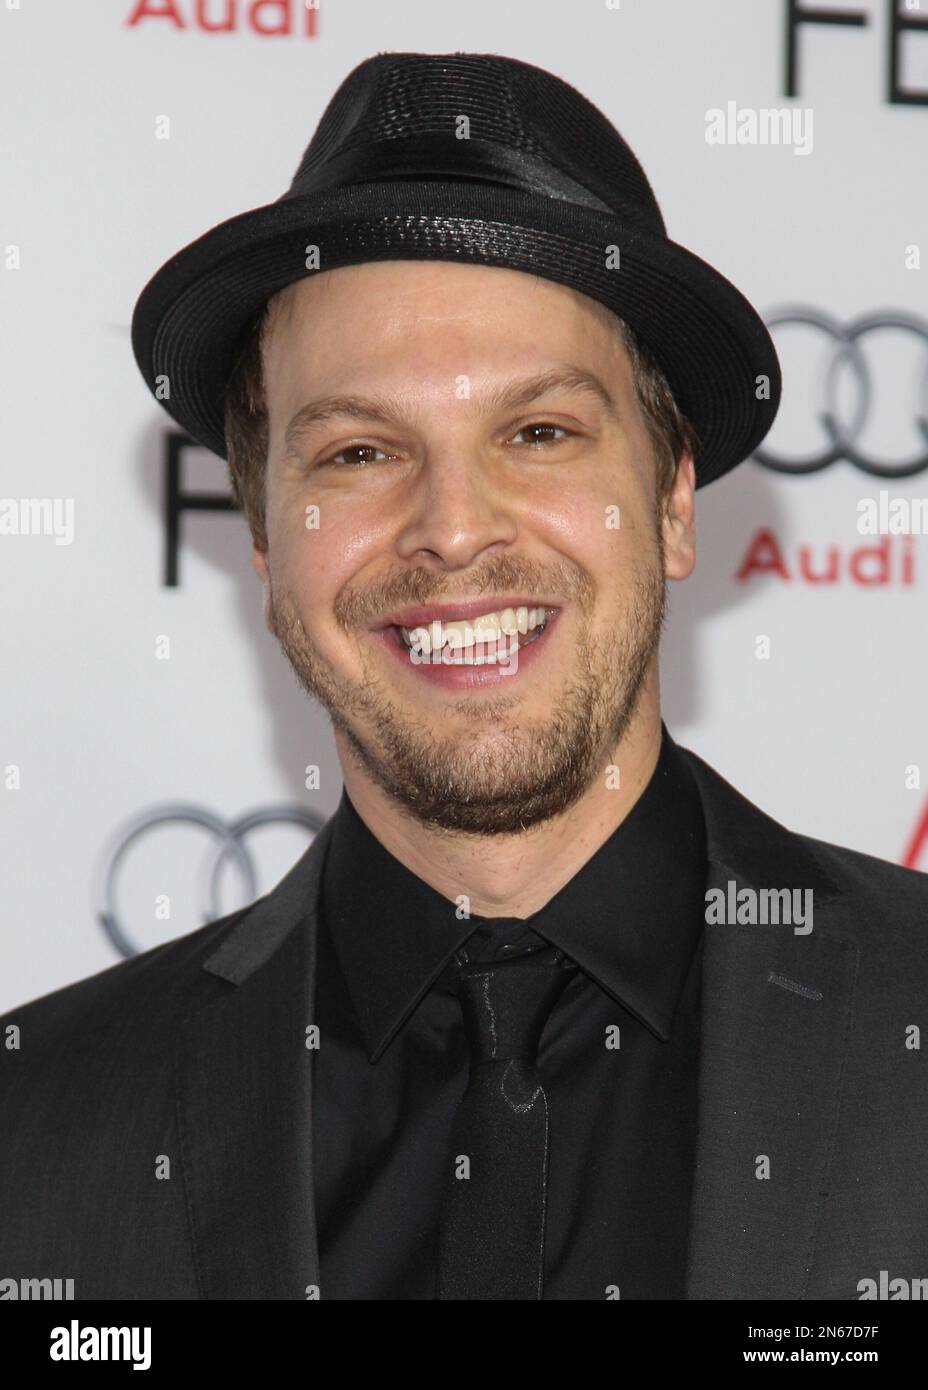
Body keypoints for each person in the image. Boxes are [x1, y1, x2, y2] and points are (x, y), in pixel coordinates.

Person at [2, 52, 926, 1302]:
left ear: (667, 499)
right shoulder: (39, 1126)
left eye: (537, 432)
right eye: (361, 449)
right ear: (265, 542)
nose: (450, 527)